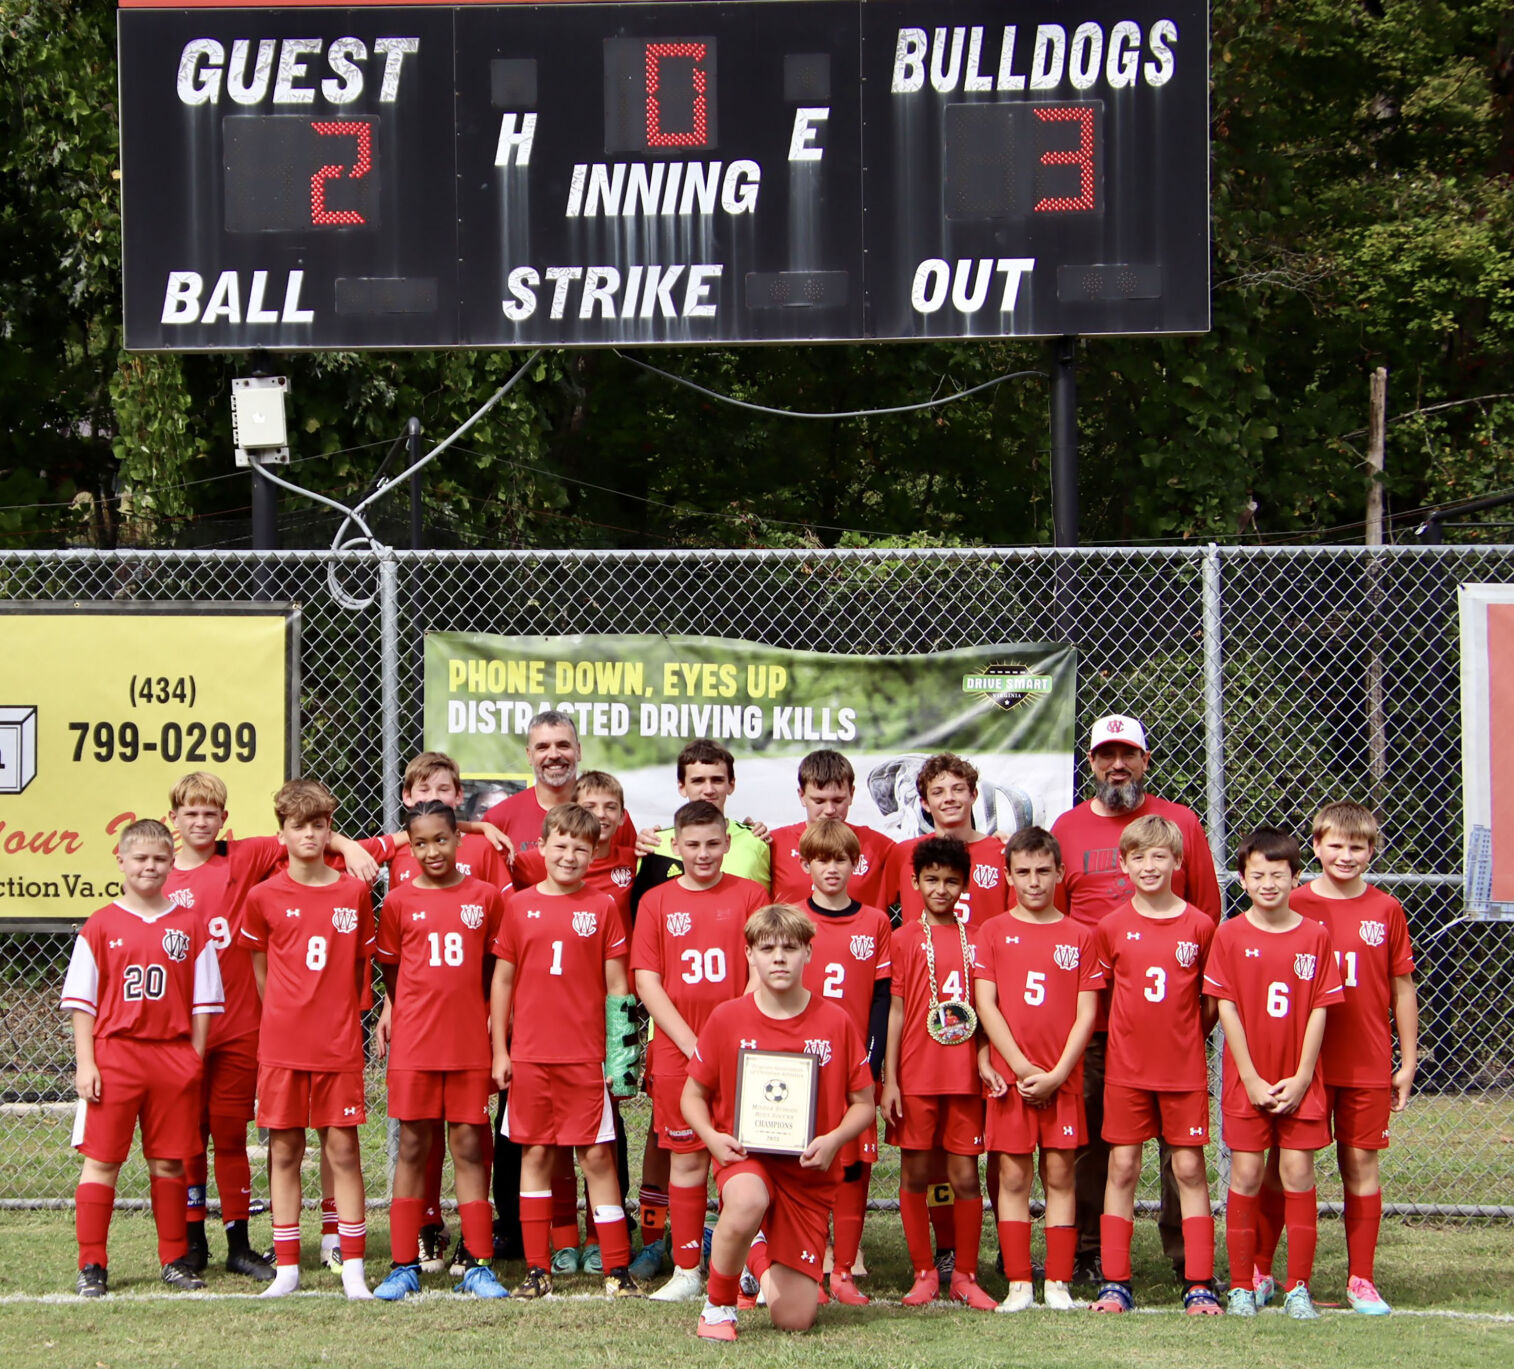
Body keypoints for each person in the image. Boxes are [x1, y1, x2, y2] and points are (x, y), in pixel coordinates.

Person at [164, 770, 378, 1279]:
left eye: (210, 813)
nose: (200, 821)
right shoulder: (165, 875)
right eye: (190, 812)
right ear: (173, 819)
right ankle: (191, 1243)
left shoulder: (254, 861)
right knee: (191, 1136)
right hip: (193, 1030)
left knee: (245, 1136)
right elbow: (262, 968)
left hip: (261, 1032)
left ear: (225, 819)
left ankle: (250, 1245)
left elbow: (356, 965)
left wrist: (348, 843)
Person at [1049, 714, 1222, 1284]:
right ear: (1092, 763)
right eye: (1107, 755)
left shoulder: (1180, 822)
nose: (1117, 765)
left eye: (1128, 754)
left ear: (1146, 761)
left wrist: (1192, 1020)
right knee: (1096, 1142)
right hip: (1093, 1018)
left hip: (1170, 1023)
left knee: (1181, 1152)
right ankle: (1090, 1249)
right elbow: (1056, 919)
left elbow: (1206, 917)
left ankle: (1186, 1258)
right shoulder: (1068, 827)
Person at [682, 904, 875, 1341]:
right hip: (746, 1159)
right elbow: (692, 1096)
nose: (779, 958)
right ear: (749, 954)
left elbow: (864, 1104)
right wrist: (712, 1137)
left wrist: (833, 1140)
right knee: (748, 1199)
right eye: (767, 949)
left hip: (807, 1174)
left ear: (809, 952)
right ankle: (717, 1307)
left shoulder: (836, 1021)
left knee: (795, 1319)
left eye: (790, 947)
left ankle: (756, 1252)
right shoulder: (727, 1017)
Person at [356, 752, 514, 1276]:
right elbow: (392, 970)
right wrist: (405, 1009)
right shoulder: (399, 901)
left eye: (441, 840)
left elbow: (496, 966)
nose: (431, 851)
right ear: (410, 846)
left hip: (467, 1040)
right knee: (413, 1144)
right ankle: (404, 1262)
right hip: (417, 1042)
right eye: (420, 844)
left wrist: (487, 1022)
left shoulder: (485, 896)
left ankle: (478, 1260)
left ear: (458, 840)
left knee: (468, 1143)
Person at [1264, 802, 1417, 1315]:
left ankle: (1361, 1279)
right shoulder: (1295, 902)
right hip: (1299, 1062)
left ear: (1372, 851)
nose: (1345, 855)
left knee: (1360, 1163)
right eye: (1335, 845)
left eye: (1357, 847)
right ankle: (1262, 1271)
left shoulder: (1386, 909)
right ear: (1316, 846)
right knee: (1283, 1166)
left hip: (1365, 1060)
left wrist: (1407, 1061)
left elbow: (1402, 987)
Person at [61, 818, 224, 1296]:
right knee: (102, 1162)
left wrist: (193, 1057)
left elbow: (204, 1002)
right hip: (116, 1055)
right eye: (140, 858)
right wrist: (86, 1062)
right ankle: (92, 1263)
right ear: (121, 861)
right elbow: (82, 1003)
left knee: (169, 1162)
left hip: (171, 1056)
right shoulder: (100, 924)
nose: (149, 867)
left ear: (172, 864)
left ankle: (174, 1258)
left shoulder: (189, 925)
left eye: (158, 859)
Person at [490, 802, 643, 1299]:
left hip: (584, 1057)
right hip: (531, 1056)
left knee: (597, 1156)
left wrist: (622, 1058)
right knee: (535, 1152)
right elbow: (503, 980)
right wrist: (500, 1051)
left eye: (581, 847)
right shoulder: (519, 906)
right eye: (560, 845)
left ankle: (616, 1269)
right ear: (542, 846)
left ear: (594, 853)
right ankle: (538, 1270)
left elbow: (618, 987)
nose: (569, 855)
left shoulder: (602, 907)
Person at [240, 779, 376, 1300]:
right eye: (299, 826)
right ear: (282, 833)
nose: (310, 834)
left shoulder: (353, 892)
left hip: (337, 1044)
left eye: (319, 825)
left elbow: (360, 966)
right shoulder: (263, 896)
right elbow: (262, 971)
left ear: (329, 829)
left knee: (342, 1150)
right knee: (284, 1151)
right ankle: (288, 1269)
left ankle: (354, 1268)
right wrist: (285, 1015)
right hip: (282, 1045)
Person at [630, 799, 769, 1301]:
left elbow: (761, 968)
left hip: (740, 1046)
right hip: (677, 1050)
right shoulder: (656, 901)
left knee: (741, 1158)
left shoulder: (751, 895)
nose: (703, 853)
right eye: (692, 845)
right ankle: (687, 1270)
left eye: (713, 843)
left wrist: (726, 1034)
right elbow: (646, 979)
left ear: (728, 843)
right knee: (686, 1158)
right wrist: (691, 1042)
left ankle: (748, 1266)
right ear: (676, 845)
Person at [1204, 828, 1344, 1320]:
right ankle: (1243, 1285)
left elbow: (1320, 1009)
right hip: (1248, 1082)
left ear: (1296, 877)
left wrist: (1303, 1077)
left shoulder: (1315, 936)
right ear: (1242, 880)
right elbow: (1226, 1009)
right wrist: (1250, 1077)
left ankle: (1298, 1287)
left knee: (1297, 1174)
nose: (1268, 884)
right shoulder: (1229, 935)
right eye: (1258, 875)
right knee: (1245, 1175)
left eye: (1278, 875)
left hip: (1300, 1081)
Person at [1089, 815, 1218, 1315]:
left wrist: (1183, 1039)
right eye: (1138, 857)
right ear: (1123, 864)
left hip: (1181, 1071)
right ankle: (1115, 1281)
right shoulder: (1111, 927)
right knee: (1122, 1165)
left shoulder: (1200, 926)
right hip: (1126, 1070)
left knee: (1188, 1167)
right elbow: (1102, 998)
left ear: (1177, 861)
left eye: (1159, 856)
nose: (1149, 866)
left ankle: (1199, 1281)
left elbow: (1209, 1001)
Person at [974, 826, 1101, 1312]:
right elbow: (986, 1004)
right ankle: (1019, 1283)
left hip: (1061, 1079)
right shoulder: (993, 932)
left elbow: (1087, 1014)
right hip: (1012, 1081)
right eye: (1023, 872)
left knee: (1061, 1175)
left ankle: (1059, 1283)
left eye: (1043, 871)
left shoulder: (1080, 936)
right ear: (1008, 876)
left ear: (1060, 873)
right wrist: (1022, 1066)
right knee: (1012, 1177)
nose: (1033, 881)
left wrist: (1057, 1073)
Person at [881, 836, 997, 1311]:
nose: (941, 889)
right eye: (932, 880)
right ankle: (924, 1272)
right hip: (916, 1075)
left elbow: (988, 1009)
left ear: (965, 886)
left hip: (964, 1076)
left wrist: (985, 1056)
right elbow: (895, 1012)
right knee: (916, 1172)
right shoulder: (903, 938)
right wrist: (890, 1079)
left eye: (951, 881)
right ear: (915, 882)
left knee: (965, 1174)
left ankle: (965, 1275)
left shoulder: (981, 938)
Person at [794, 819, 892, 1304]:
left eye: (841, 860)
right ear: (805, 865)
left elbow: (881, 997)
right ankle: (810, 1267)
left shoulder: (875, 922)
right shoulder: (791, 917)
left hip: (852, 1064)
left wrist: (871, 1061)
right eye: (822, 860)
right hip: (801, 1065)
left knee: (854, 1168)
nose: (831, 869)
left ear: (857, 864)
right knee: (805, 1166)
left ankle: (845, 1272)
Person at [482, 710, 635, 881]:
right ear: (529, 755)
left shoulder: (610, 818)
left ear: (578, 751)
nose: (554, 755)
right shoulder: (498, 819)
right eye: (543, 747)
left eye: (563, 745)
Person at [631, 739, 772, 903]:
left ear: (731, 785)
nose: (709, 790)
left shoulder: (755, 840)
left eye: (717, 780)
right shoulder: (654, 844)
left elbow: (765, 912)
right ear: (682, 786)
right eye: (698, 781)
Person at [879, 753, 1008, 927]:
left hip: (982, 946)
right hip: (923, 946)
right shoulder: (904, 853)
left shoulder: (1002, 853)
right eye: (938, 792)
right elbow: (872, 907)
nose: (949, 798)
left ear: (973, 795)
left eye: (958, 789)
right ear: (925, 803)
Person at [768, 750, 895, 908]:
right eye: (819, 801)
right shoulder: (774, 844)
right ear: (802, 795)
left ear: (851, 794)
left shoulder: (878, 846)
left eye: (838, 800)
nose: (829, 810)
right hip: (790, 925)